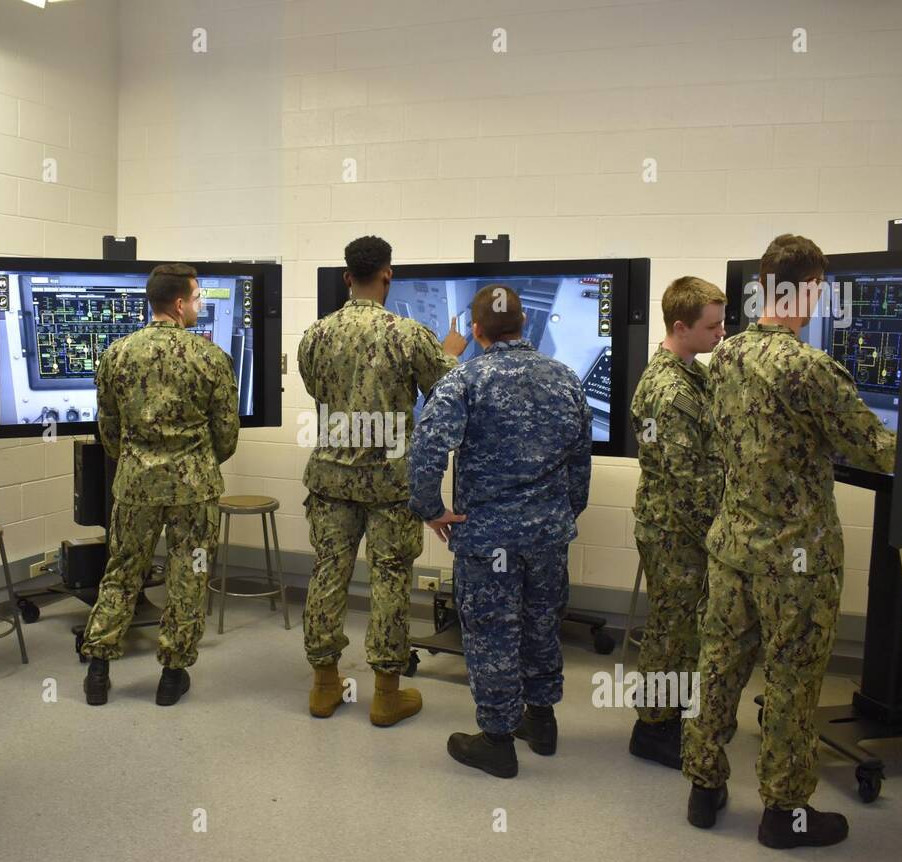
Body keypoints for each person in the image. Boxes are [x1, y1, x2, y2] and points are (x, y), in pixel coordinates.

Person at [681, 235, 896, 848]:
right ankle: (784, 813)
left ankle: (704, 788)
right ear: (808, 288)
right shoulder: (808, 368)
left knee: (718, 668)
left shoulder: (722, 358)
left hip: (732, 548)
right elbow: (876, 451)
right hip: (795, 560)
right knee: (792, 681)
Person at [409, 284, 592, 776]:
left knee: (492, 635)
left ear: (475, 330)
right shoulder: (567, 379)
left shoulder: (464, 380)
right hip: (547, 537)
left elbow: (428, 448)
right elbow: (580, 463)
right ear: (525, 323)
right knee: (541, 625)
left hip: (487, 537)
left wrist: (430, 508)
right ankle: (542, 723)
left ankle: (497, 741)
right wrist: (562, 514)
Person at [298, 236, 466, 725]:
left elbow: (317, 390)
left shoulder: (315, 335)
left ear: (347, 277)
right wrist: (450, 352)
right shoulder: (410, 335)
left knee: (328, 572)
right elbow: (446, 389)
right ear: (387, 274)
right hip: (391, 482)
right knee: (390, 577)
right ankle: (386, 695)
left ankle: (324, 687)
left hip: (330, 477)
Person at [80, 263, 239, 707]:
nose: (200, 304)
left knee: (121, 572)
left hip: (135, 486)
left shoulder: (116, 354)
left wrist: (134, 459)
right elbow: (226, 433)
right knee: (189, 574)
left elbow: (107, 428)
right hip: (195, 488)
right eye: (197, 296)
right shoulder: (210, 358)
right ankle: (172, 675)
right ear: (179, 303)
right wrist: (201, 460)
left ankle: (98, 668)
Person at [627, 277, 725, 768]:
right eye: (712, 325)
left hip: (680, 526)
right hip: (676, 531)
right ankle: (653, 727)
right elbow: (688, 483)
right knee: (671, 628)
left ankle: (673, 708)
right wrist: (719, 534)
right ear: (681, 326)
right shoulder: (670, 391)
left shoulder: (692, 373)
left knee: (682, 627)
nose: (722, 333)